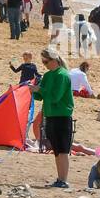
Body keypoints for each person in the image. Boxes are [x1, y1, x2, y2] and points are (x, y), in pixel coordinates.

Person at [33, 48, 73, 188]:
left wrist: (40, 90)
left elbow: (55, 97)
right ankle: (59, 179)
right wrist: (33, 90)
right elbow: (40, 97)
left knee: (63, 150)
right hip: (50, 116)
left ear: (54, 60)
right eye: (43, 62)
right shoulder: (48, 76)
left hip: (62, 116)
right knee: (56, 150)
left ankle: (63, 180)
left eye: (46, 61)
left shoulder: (62, 75)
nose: (44, 64)